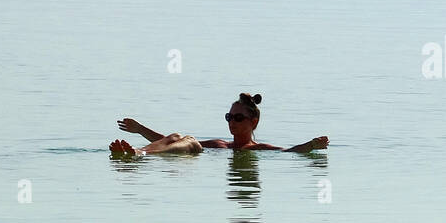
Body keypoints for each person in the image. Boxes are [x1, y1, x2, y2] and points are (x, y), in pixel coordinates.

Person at [110, 92, 328, 155]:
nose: (232, 122)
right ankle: (139, 152)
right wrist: (140, 129)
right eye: (229, 117)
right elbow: (167, 141)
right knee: (178, 136)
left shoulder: (258, 149)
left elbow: (288, 152)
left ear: (254, 121)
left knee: (192, 143)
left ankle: (140, 154)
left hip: (187, 160)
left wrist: (310, 145)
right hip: (178, 155)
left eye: (238, 118)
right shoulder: (221, 145)